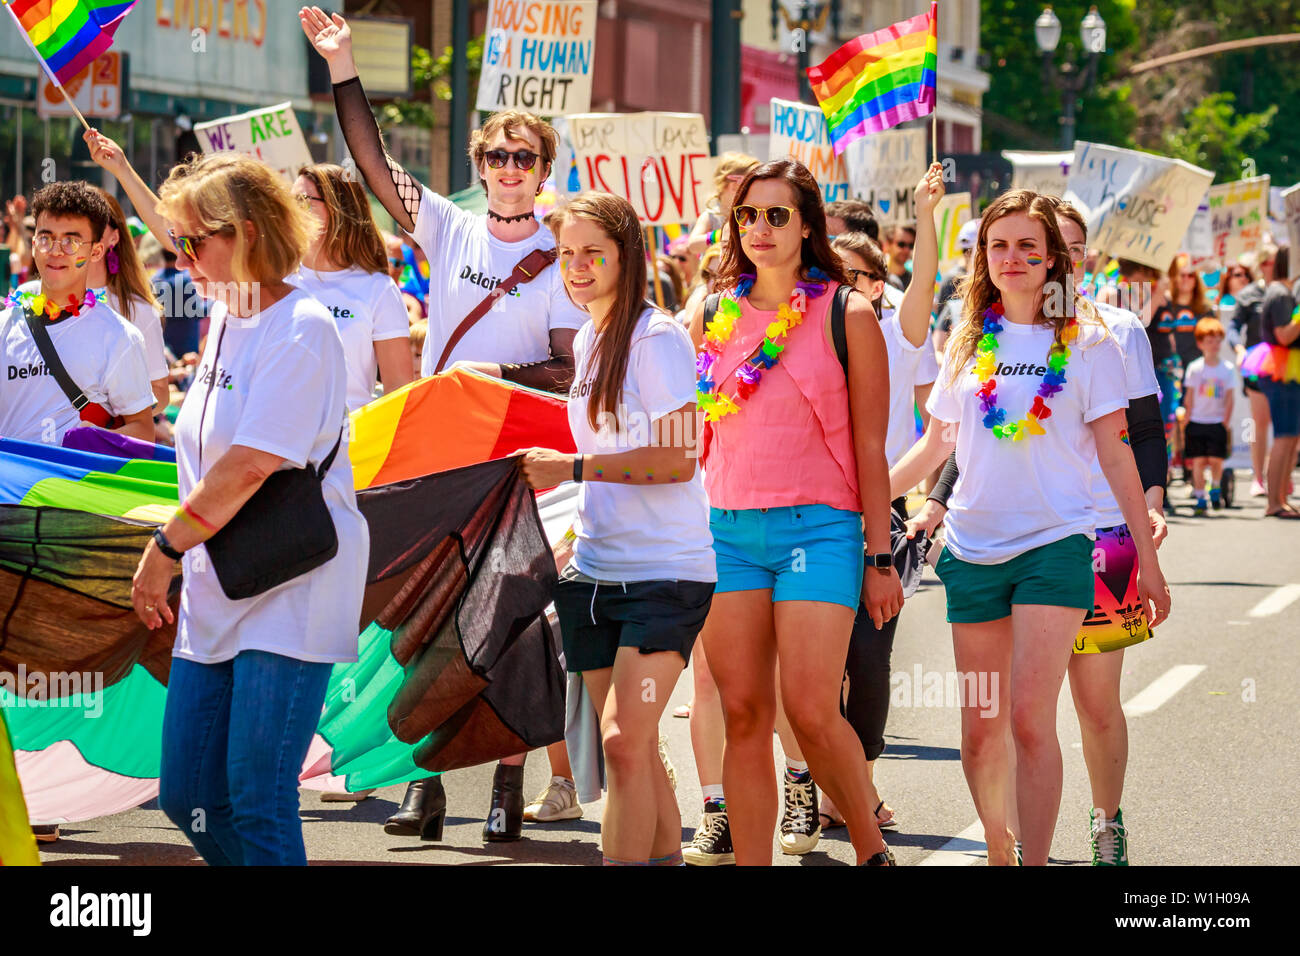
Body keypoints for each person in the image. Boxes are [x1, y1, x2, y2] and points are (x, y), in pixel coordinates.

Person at [302, 3, 585, 840]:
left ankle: (506, 786)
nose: (507, 168)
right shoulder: (447, 223)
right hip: (436, 451)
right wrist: (343, 64)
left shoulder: (566, 251)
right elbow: (370, 158)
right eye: (495, 155)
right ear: (480, 165)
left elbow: (570, 370)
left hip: (514, 458)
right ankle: (422, 786)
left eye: (522, 157)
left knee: (508, 615)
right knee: (415, 615)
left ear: (542, 170)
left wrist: (492, 372)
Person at [888, 189, 1171, 866]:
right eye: (998, 245)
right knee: (981, 732)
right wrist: (860, 499)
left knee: (1027, 717)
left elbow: (1117, 450)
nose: (1012, 258)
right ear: (983, 256)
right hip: (970, 554)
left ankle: (1040, 858)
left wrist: (1149, 559)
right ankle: (999, 847)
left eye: (1028, 247)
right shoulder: (966, 340)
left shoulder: (1092, 342)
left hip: (1057, 549)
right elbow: (936, 449)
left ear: (1053, 261)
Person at [127, 152, 367, 866]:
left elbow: (249, 464)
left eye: (196, 241)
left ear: (251, 233)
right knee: (189, 792)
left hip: (290, 584)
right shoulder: (226, 319)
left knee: (258, 795)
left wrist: (163, 550)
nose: (185, 257)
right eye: (181, 242)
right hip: (220, 580)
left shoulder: (303, 325)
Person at [686, 159, 902, 866]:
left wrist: (879, 557)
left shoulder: (850, 312)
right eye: (747, 215)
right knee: (744, 714)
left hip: (822, 529)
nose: (759, 229)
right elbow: (693, 432)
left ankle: (871, 850)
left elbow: (871, 448)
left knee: (809, 709)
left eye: (776, 215)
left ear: (808, 224)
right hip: (728, 532)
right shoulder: (709, 312)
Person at [515, 192, 715, 865]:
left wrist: (573, 466)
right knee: (630, 747)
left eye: (591, 252)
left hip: (666, 576)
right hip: (594, 575)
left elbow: (680, 458)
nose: (576, 266)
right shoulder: (593, 334)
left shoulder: (659, 340)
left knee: (625, 741)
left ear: (627, 257)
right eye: (566, 254)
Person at [794, 164, 943, 840]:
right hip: (809, 512)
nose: (834, 285)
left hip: (875, 516)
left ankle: (858, 781)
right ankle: (827, 790)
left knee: (868, 661)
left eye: (849, 275)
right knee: (813, 666)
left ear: (875, 285)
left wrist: (928, 212)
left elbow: (923, 291)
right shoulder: (799, 332)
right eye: (827, 273)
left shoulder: (894, 334)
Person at [0, 181, 155, 446]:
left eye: (71, 241)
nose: (56, 251)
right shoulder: (4, 327)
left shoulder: (119, 337)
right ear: (34, 243)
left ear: (95, 251)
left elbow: (143, 431)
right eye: (46, 238)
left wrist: (95, 442)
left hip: (71, 484)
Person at [290, 164, 415, 412]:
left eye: (303, 200)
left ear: (338, 210)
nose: (291, 210)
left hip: (351, 444)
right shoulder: (272, 280)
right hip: (278, 442)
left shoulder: (378, 289)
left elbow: (399, 395)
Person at [1249, 247, 1300, 518]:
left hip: (1285, 369)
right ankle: (1275, 502)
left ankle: (1280, 499)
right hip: (1281, 369)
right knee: (1284, 436)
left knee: (1290, 437)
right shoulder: (1281, 293)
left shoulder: (1282, 291)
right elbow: (1284, 335)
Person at [1182, 317, 1236, 514]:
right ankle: (1199, 497)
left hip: (1216, 422)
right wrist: (1187, 419)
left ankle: (1215, 486)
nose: (1214, 345)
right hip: (1197, 420)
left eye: (1217, 341)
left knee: (1215, 460)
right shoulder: (1195, 368)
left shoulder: (1227, 369)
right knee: (1197, 461)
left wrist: (1225, 421)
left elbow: (1230, 398)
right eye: (1209, 341)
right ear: (1200, 344)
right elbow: (1189, 396)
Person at [1230, 256, 1272, 496]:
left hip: (1290, 364)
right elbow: (1233, 327)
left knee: (1290, 426)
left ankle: (1280, 473)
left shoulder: (1293, 291)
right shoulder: (1249, 294)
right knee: (1260, 422)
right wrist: (1239, 349)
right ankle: (1259, 477)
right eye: (1267, 261)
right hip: (1259, 364)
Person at [686, 152, 760, 258]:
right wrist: (722, 234)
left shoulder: (750, 214)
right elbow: (692, 245)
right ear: (735, 185)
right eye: (752, 184)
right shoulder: (711, 216)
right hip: (716, 272)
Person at [883, 224, 916, 292]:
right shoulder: (879, 278)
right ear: (888, 245)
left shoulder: (914, 281)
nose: (906, 250)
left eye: (910, 245)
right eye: (901, 244)